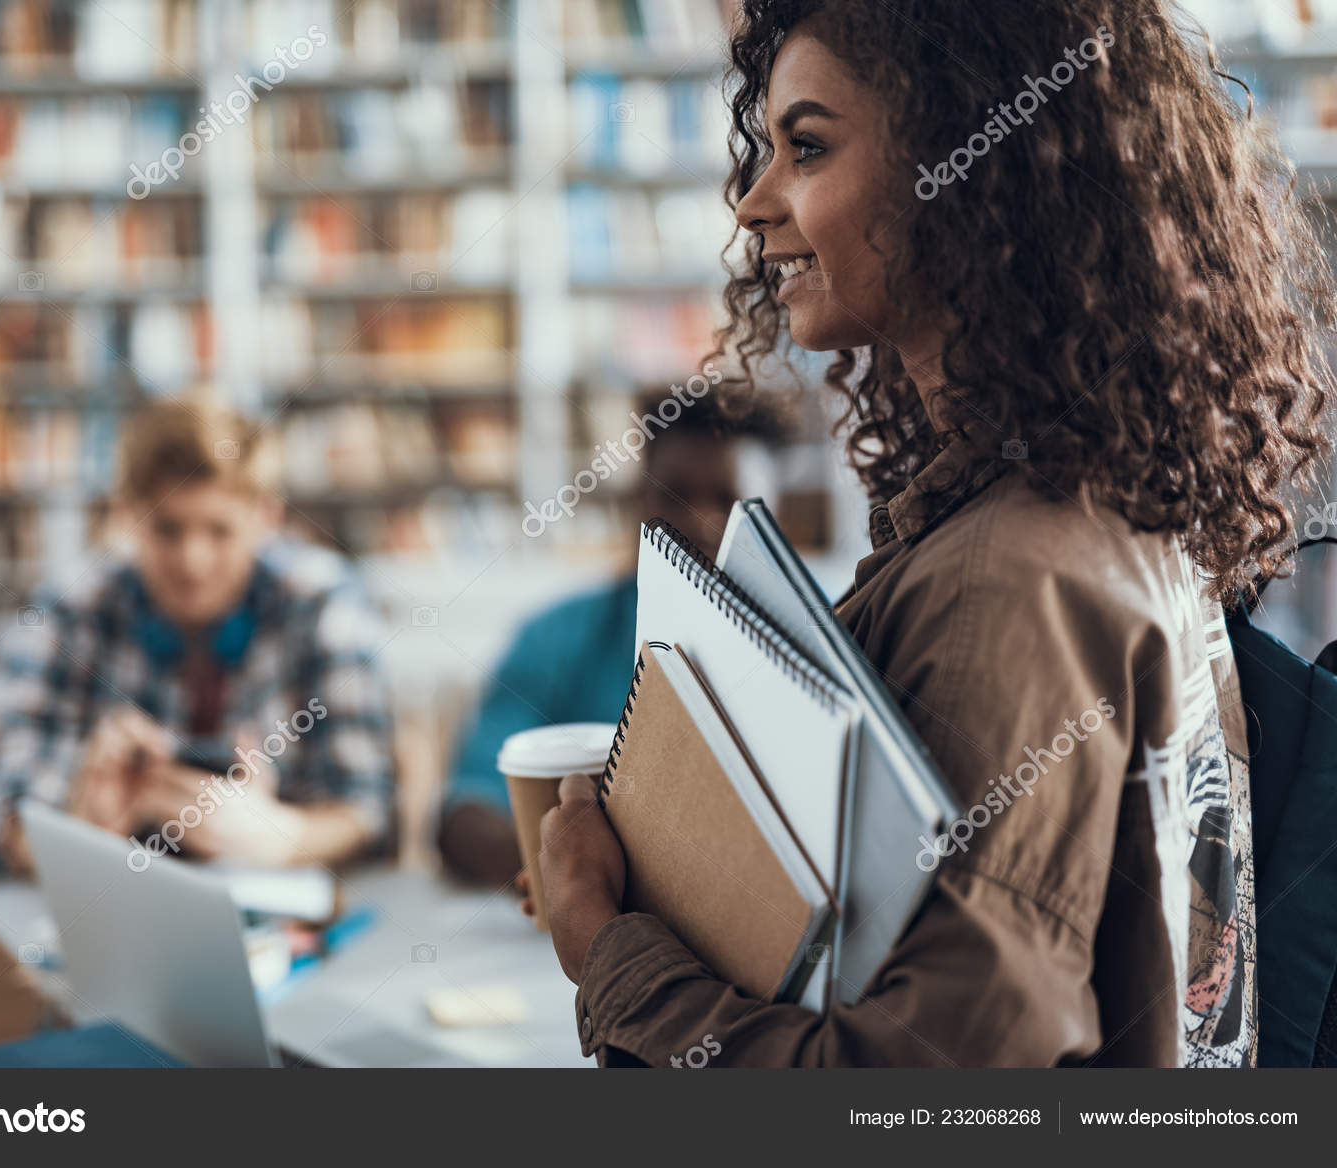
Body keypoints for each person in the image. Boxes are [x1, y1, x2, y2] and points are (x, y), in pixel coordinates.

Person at [533, 0, 1337, 1068]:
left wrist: (606, 945)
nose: (754, 201)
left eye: (807, 148)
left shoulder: (1009, 581)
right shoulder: (1091, 507)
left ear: (973, 174)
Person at [0, 395, 395, 877]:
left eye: (219, 531)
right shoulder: (69, 612)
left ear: (266, 518)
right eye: (168, 530)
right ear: (127, 514)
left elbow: (370, 813)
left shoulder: (323, 603)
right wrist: (81, 830)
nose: (193, 562)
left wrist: (281, 835)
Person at [436, 393, 776, 887]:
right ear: (634, 503)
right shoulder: (554, 638)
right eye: (675, 495)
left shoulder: (810, 647)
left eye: (727, 501)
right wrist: (569, 873)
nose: (701, 522)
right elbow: (466, 812)